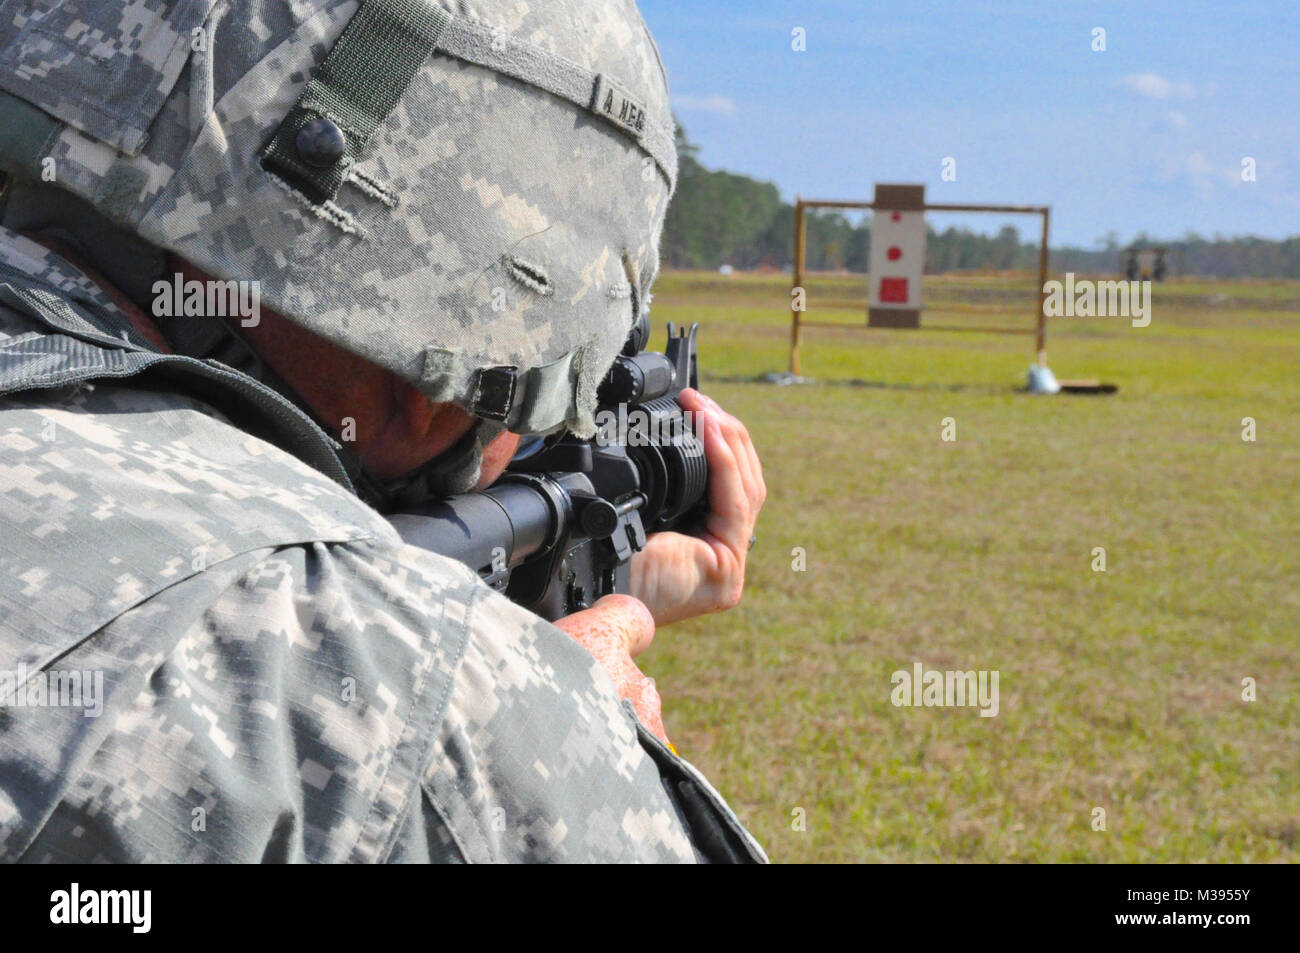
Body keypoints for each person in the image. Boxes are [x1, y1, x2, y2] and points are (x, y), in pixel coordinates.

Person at [0, 0, 766, 863]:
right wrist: (554, 731)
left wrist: (547, 590)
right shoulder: (417, 719)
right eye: (535, 409)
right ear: (451, 369)